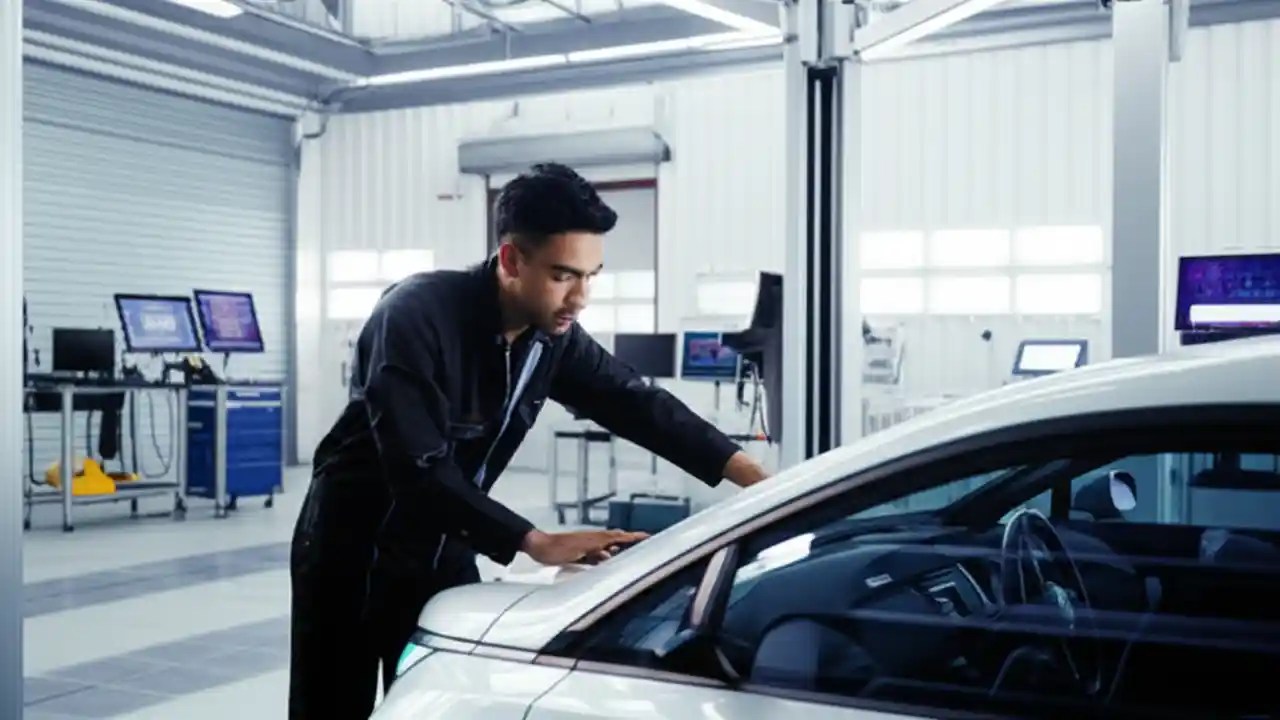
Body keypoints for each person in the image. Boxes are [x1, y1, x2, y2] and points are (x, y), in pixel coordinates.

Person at [288, 162, 772, 719]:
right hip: (353, 550)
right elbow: (418, 467)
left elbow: (636, 403)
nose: (581, 296)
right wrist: (533, 540)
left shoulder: (551, 335)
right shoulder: (416, 316)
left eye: (592, 276)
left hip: (446, 545)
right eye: (565, 274)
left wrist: (758, 481)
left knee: (438, 704)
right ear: (512, 260)